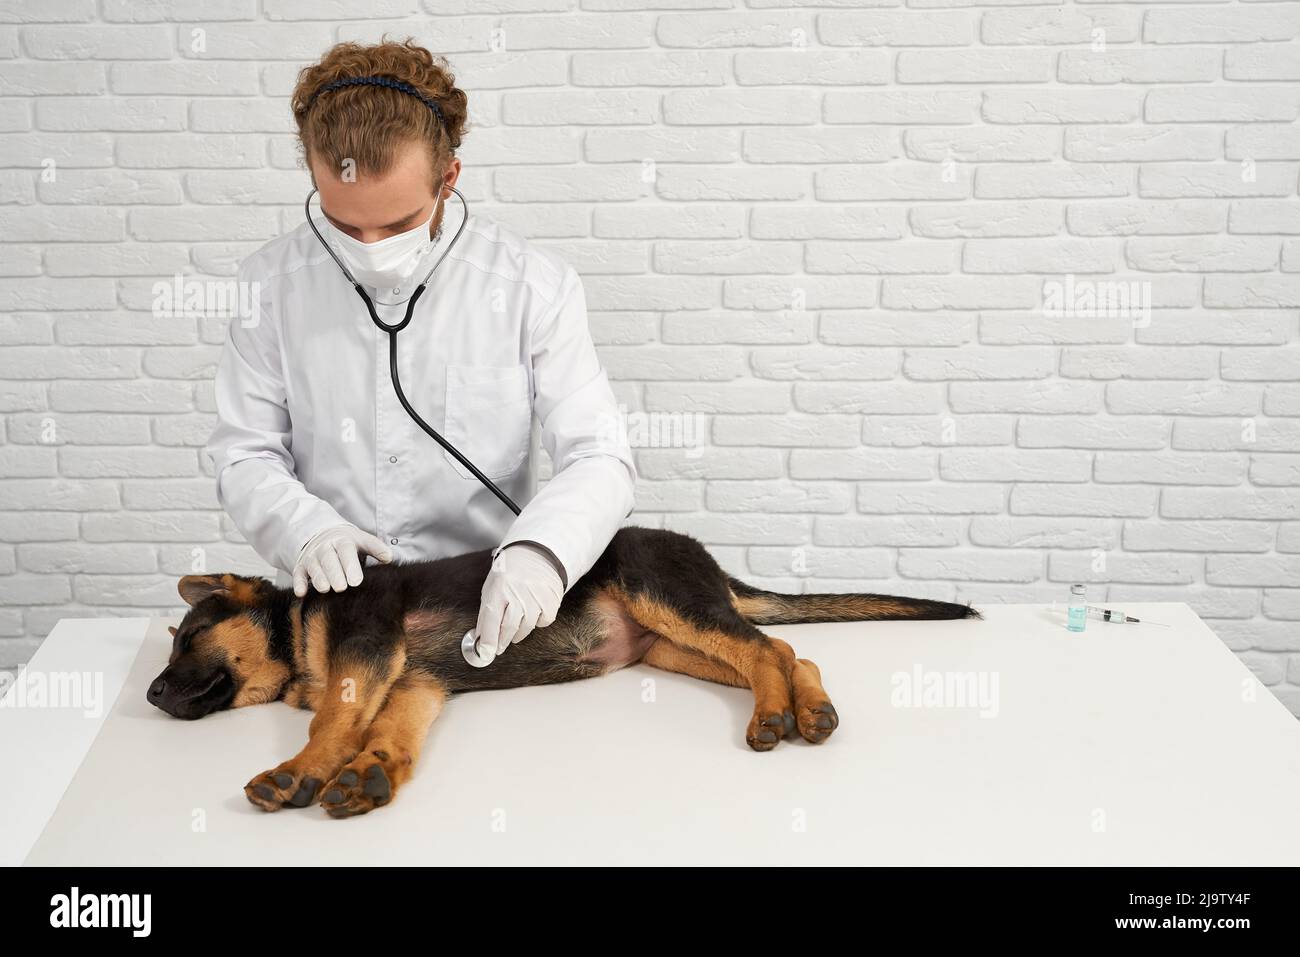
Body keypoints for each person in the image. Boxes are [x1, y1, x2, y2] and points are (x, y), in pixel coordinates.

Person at [204, 39, 636, 666]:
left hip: (490, 607)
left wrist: (542, 553)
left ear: (447, 179)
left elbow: (598, 452)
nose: (370, 247)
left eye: (398, 223)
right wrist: (304, 528)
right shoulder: (268, 288)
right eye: (344, 225)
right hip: (339, 614)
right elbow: (244, 450)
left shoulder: (532, 287)